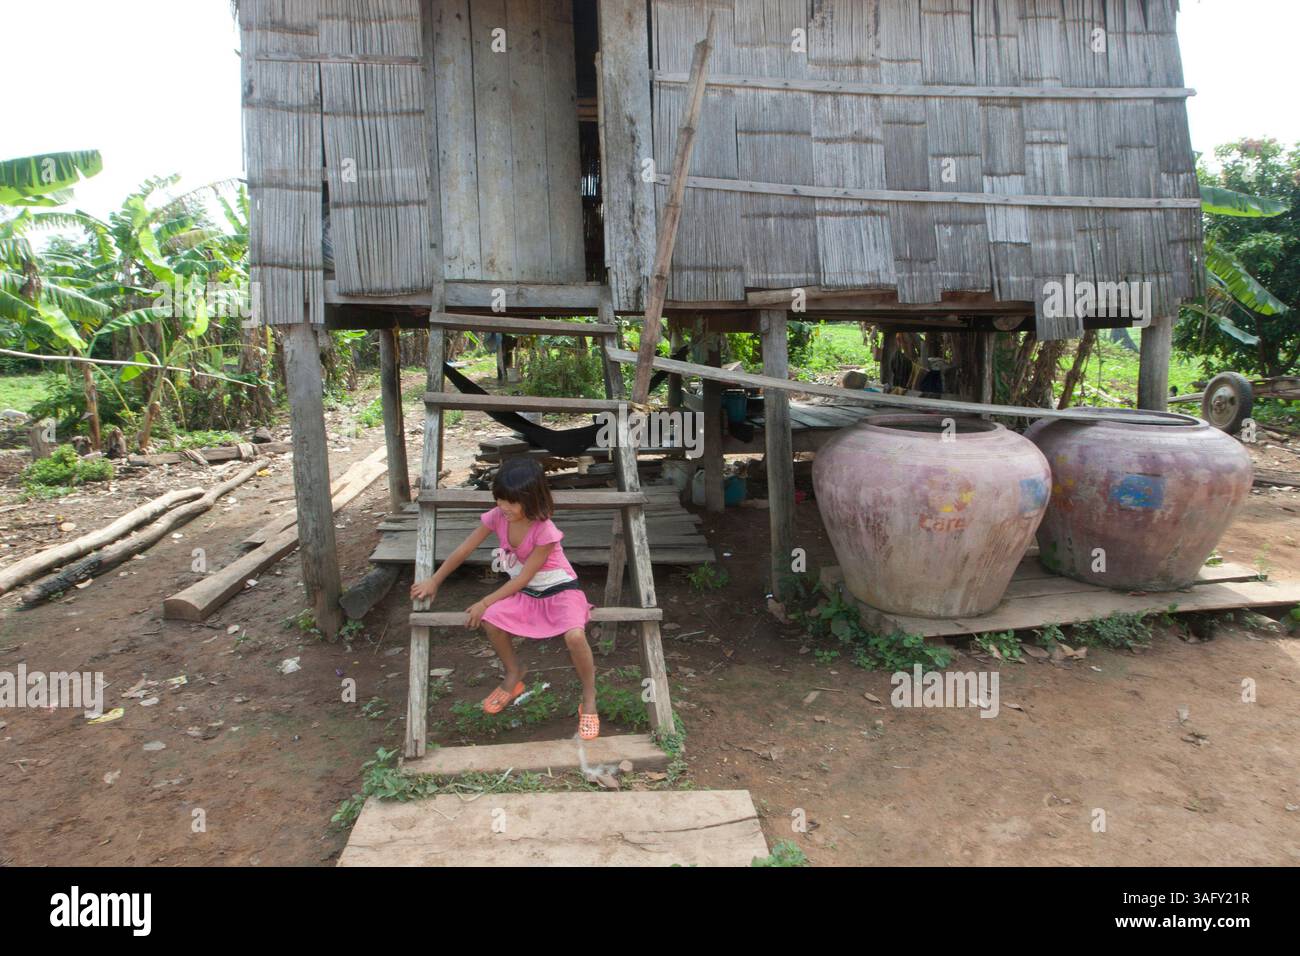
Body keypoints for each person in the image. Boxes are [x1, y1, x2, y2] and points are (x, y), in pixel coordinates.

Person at [411, 457, 599, 739]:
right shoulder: (498, 516)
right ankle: (514, 673)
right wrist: (435, 579)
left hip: (560, 590)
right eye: (499, 499)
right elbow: (464, 548)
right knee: (492, 621)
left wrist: (485, 600)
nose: (503, 507)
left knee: (574, 636)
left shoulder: (545, 530)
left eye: (511, 502)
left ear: (532, 500)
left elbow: (524, 578)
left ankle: (589, 697)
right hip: (526, 593)